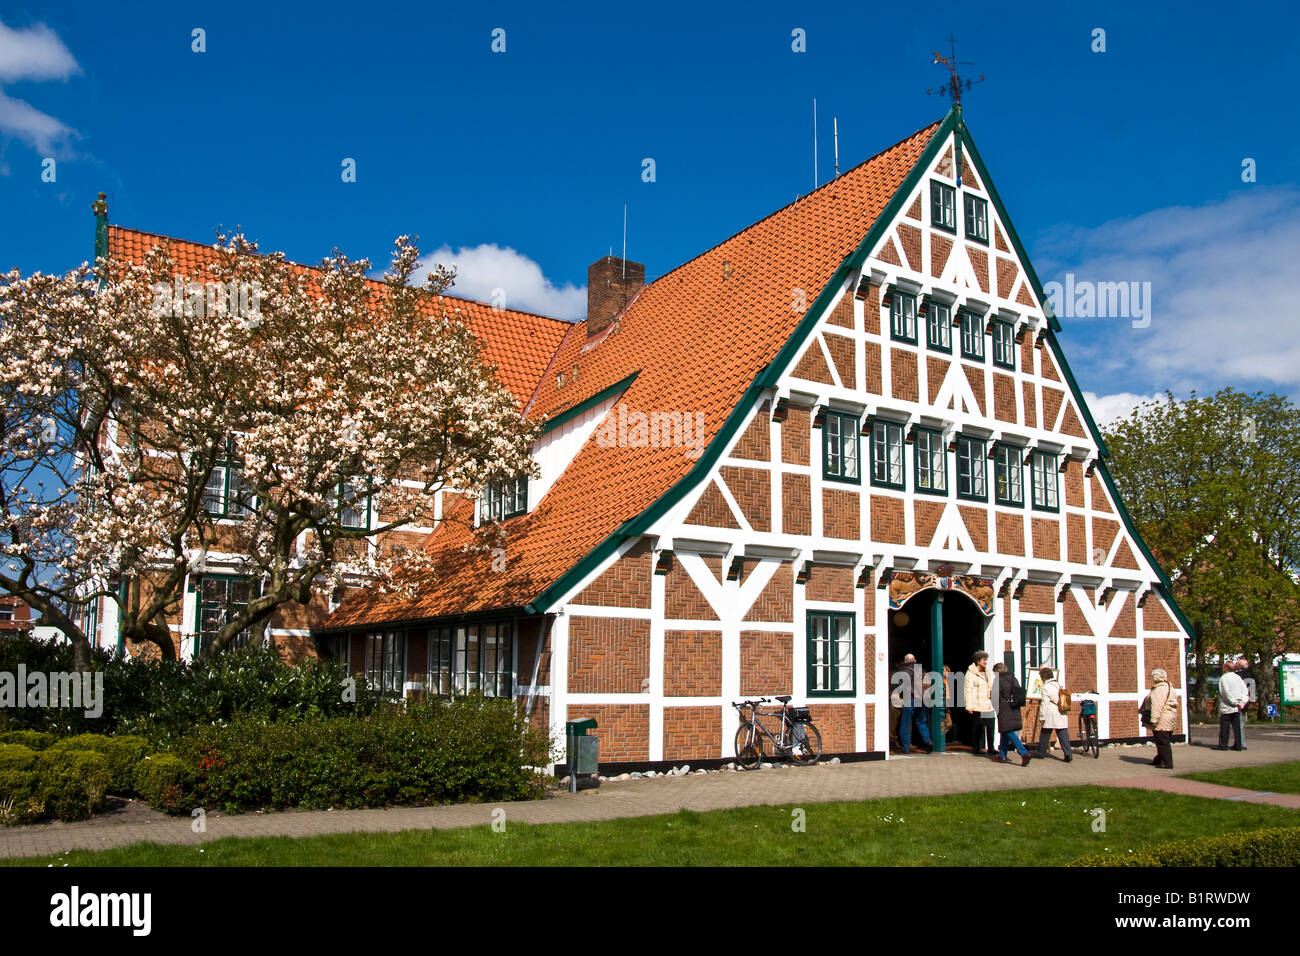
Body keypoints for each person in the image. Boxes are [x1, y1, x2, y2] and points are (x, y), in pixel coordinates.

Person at [992, 662, 1031, 766]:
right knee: (1005, 731)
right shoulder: (1014, 678)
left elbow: (995, 696)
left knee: (1008, 731)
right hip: (1015, 707)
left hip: (1005, 709)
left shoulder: (998, 680)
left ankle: (1024, 753)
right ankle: (1002, 755)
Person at [1035, 666, 1073, 762]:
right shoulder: (1058, 685)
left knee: (1045, 733)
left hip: (1051, 713)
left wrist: (1041, 716)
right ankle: (1068, 753)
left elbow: (1044, 703)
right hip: (1061, 712)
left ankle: (1041, 752)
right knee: (1063, 734)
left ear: (1044, 677)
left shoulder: (1046, 687)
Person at [897, 653, 932, 754]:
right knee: (921, 722)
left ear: (905, 661)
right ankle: (928, 742)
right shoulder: (923, 670)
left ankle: (906, 748)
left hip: (910, 698)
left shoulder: (905, 671)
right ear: (915, 660)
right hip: (921, 699)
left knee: (906, 723)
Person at [964, 651, 996, 754]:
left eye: (986, 659)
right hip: (977, 705)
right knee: (978, 729)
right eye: (984, 660)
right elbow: (967, 690)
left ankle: (991, 747)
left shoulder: (988, 673)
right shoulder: (970, 674)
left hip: (988, 704)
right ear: (978, 661)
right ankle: (976, 748)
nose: (986, 662)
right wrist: (968, 706)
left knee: (991, 728)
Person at [1148, 668, 1179, 768]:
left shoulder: (1159, 689)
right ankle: (1159, 759)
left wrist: (1154, 720)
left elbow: (1157, 706)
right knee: (1163, 740)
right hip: (1170, 717)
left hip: (1162, 719)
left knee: (1162, 741)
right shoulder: (1169, 687)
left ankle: (1167, 763)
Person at [1217, 660, 1249, 751]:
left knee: (1225, 726)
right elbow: (1245, 691)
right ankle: (1238, 745)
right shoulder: (1238, 678)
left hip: (1227, 706)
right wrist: (1242, 702)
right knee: (1237, 727)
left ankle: (1223, 745)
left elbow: (1226, 693)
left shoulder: (1224, 678)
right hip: (1238, 705)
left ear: (1225, 668)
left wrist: (1234, 702)